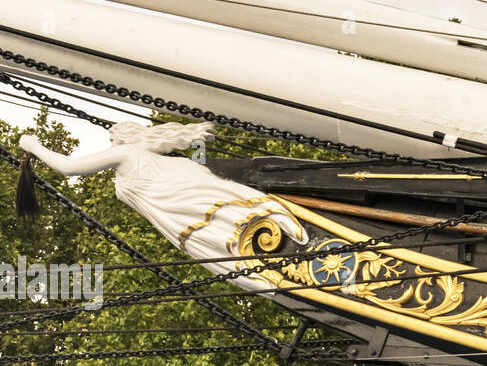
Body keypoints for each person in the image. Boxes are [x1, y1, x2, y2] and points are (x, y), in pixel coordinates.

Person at [19, 121, 307, 291]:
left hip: (186, 215)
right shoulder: (170, 161)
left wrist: (33, 146)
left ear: (122, 139)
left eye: (111, 138)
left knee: (240, 257)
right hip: (197, 206)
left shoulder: (125, 153)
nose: (109, 143)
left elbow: (69, 168)